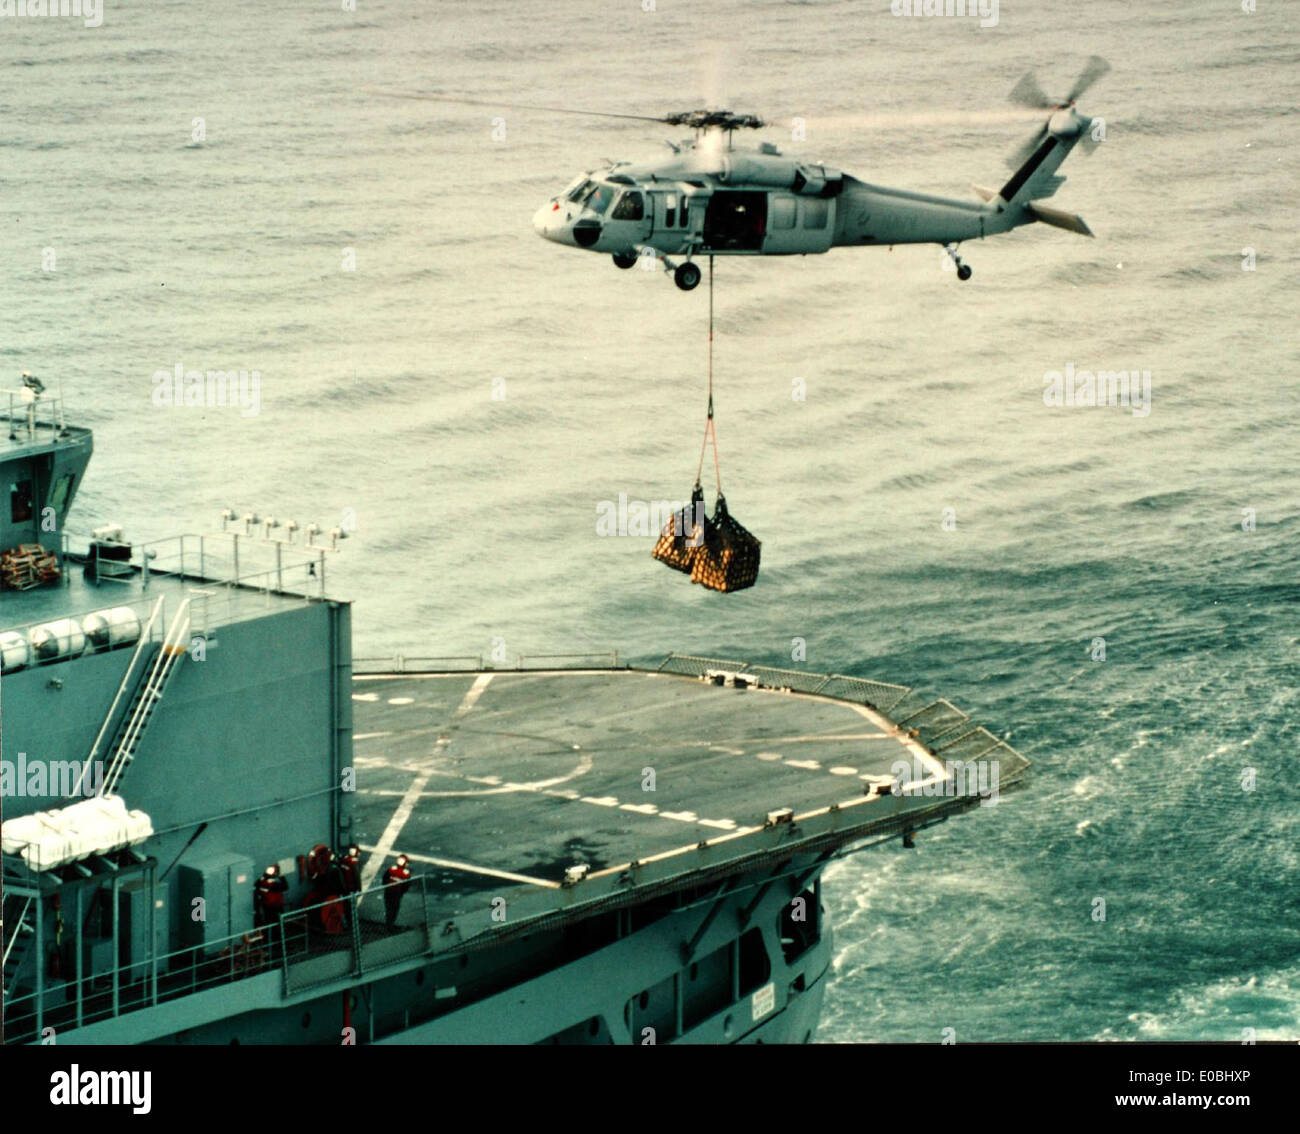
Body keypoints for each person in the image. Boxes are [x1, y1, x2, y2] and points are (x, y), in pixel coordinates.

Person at [383, 854, 412, 930]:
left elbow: (384, 879)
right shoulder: (406, 873)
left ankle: (388, 924)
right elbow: (406, 886)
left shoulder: (391, 869)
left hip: (388, 892)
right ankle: (390, 925)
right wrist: (401, 892)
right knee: (394, 909)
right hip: (397, 894)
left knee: (388, 908)